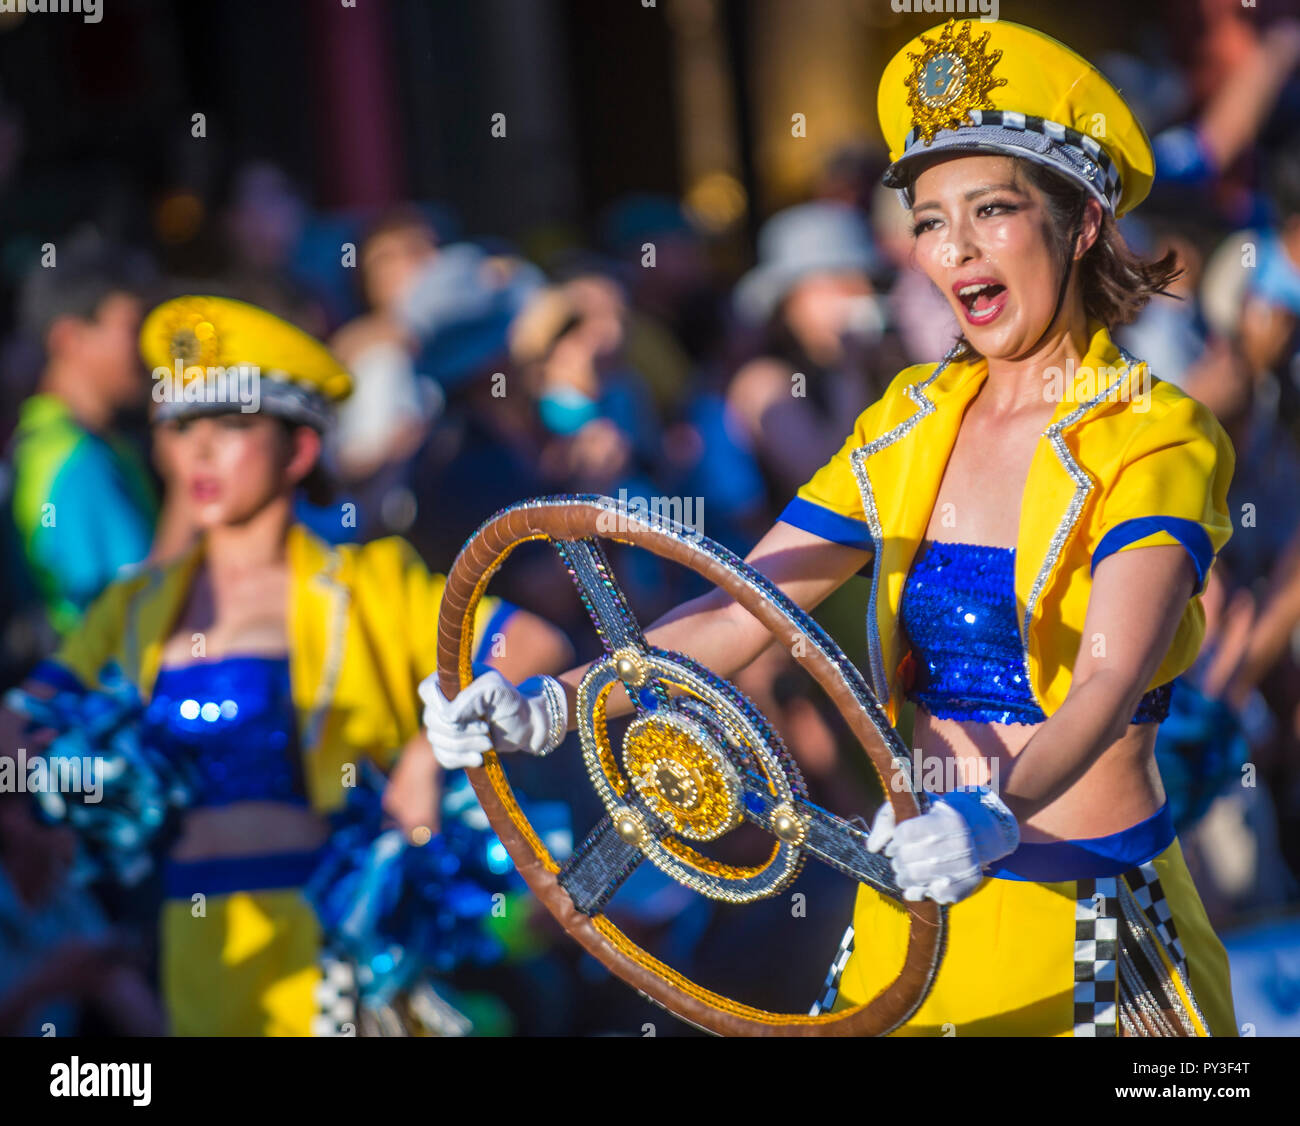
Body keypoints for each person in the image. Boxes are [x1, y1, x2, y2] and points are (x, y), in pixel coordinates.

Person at [424, 19, 1238, 1037]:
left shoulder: (1157, 436)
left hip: (1095, 931)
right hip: (912, 924)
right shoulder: (908, 416)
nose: (956, 250)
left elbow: (1110, 679)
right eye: (931, 221)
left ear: (1078, 223)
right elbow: (741, 613)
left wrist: (992, 814)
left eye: (991, 210)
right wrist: (553, 701)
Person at [1, 295, 571, 1036]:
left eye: (231, 425)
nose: (198, 452)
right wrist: (42, 809)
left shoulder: (367, 583)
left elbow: (531, 646)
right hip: (198, 944)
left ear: (298, 450)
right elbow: (22, 721)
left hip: (342, 947)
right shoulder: (134, 607)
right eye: (181, 426)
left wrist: (425, 758)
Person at [9, 263, 159, 634]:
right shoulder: (80, 460)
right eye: (135, 329)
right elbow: (146, 611)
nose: (151, 349)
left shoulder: (42, 438)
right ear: (69, 339)